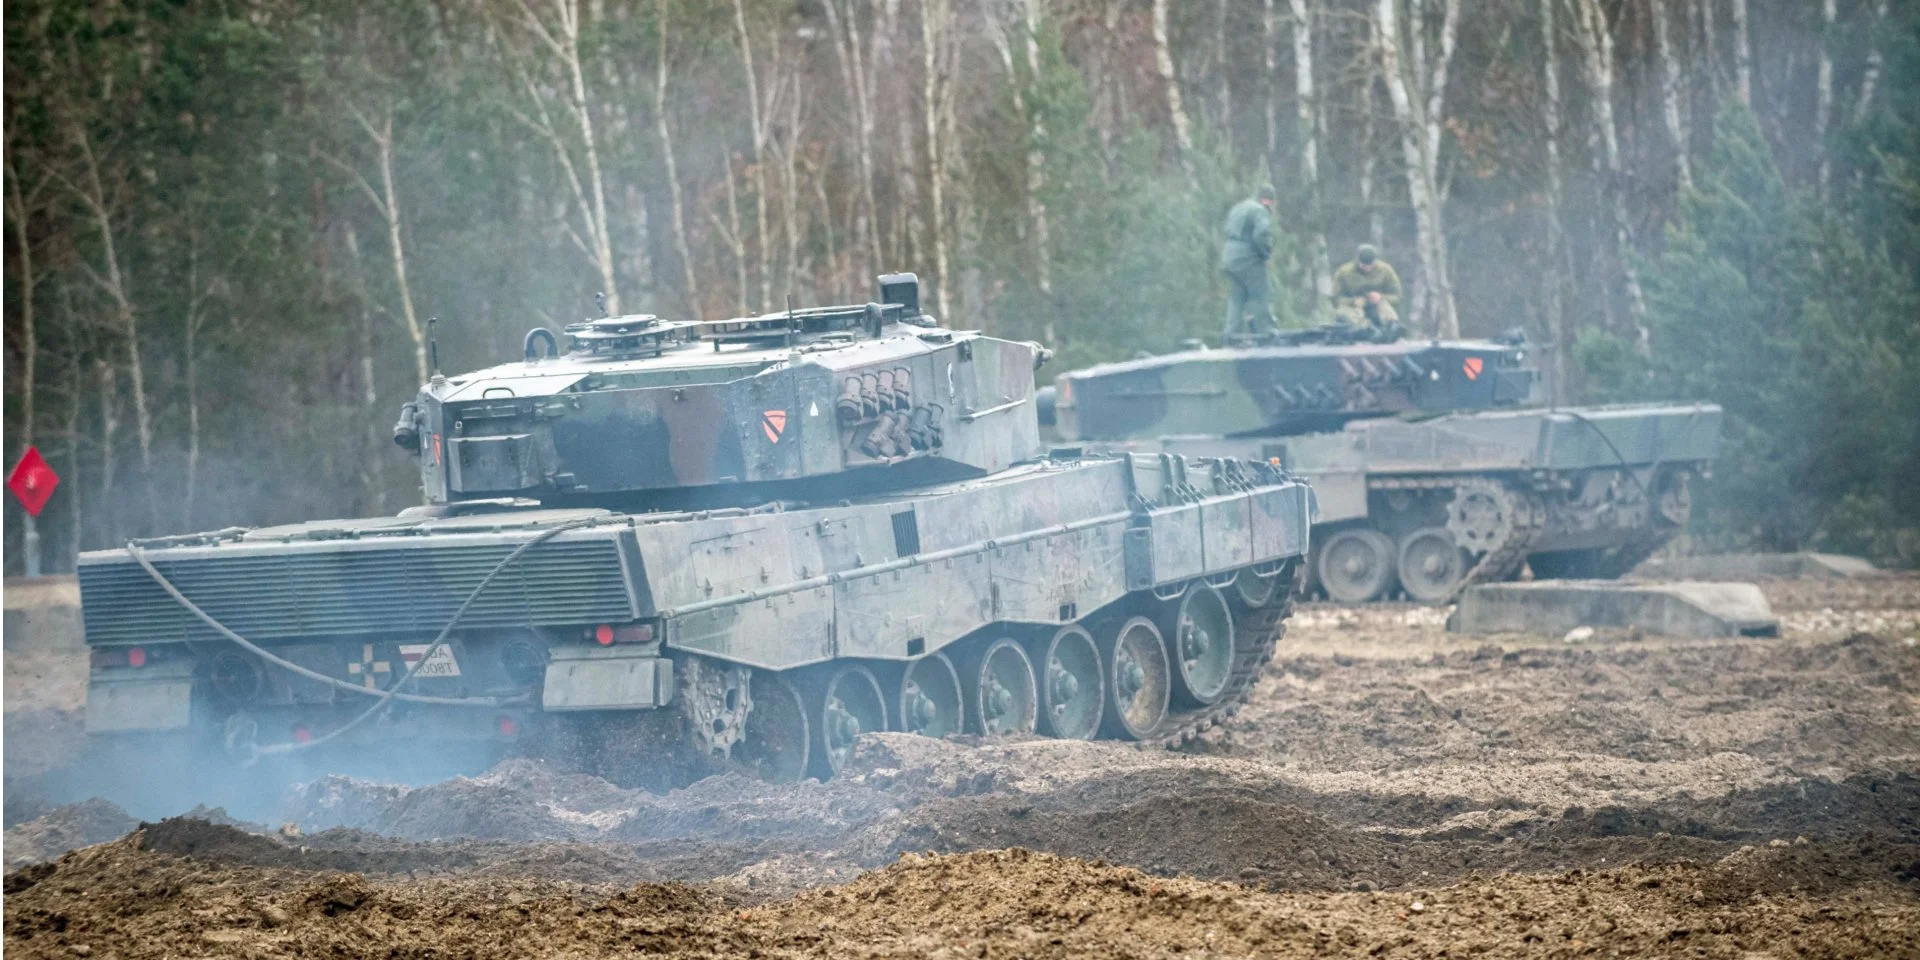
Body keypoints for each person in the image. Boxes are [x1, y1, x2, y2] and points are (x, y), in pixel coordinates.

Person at [1221, 185, 1277, 337]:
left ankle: (1232, 335)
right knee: (1261, 294)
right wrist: (1266, 254)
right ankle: (1266, 333)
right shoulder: (1259, 210)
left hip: (1229, 257)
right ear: (1267, 200)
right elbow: (1262, 234)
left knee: (1237, 298)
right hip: (1248, 258)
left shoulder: (1238, 208)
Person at [1331, 243, 1402, 327]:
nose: (1367, 268)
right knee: (1343, 312)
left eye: (1371, 265)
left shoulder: (1386, 270)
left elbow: (1397, 296)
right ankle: (1365, 328)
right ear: (1358, 261)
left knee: (1386, 311)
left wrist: (1381, 297)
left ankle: (1391, 325)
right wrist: (1354, 301)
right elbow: (1335, 299)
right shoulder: (1344, 272)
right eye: (1364, 265)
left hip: (1377, 307)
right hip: (1353, 308)